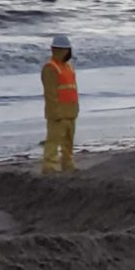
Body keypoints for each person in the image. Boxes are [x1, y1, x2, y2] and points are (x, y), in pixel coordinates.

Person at [41, 34, 79, 174]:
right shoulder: (50, 67)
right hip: (58, 114)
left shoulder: (68, 67)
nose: (67, 53)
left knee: (68, 142)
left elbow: (73, 89)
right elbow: (50, 93)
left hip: (70, 112)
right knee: (53, 141)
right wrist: (55, 113)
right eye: (65, 50)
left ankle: (68, 164)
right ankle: (49, 166)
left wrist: (75, 109)